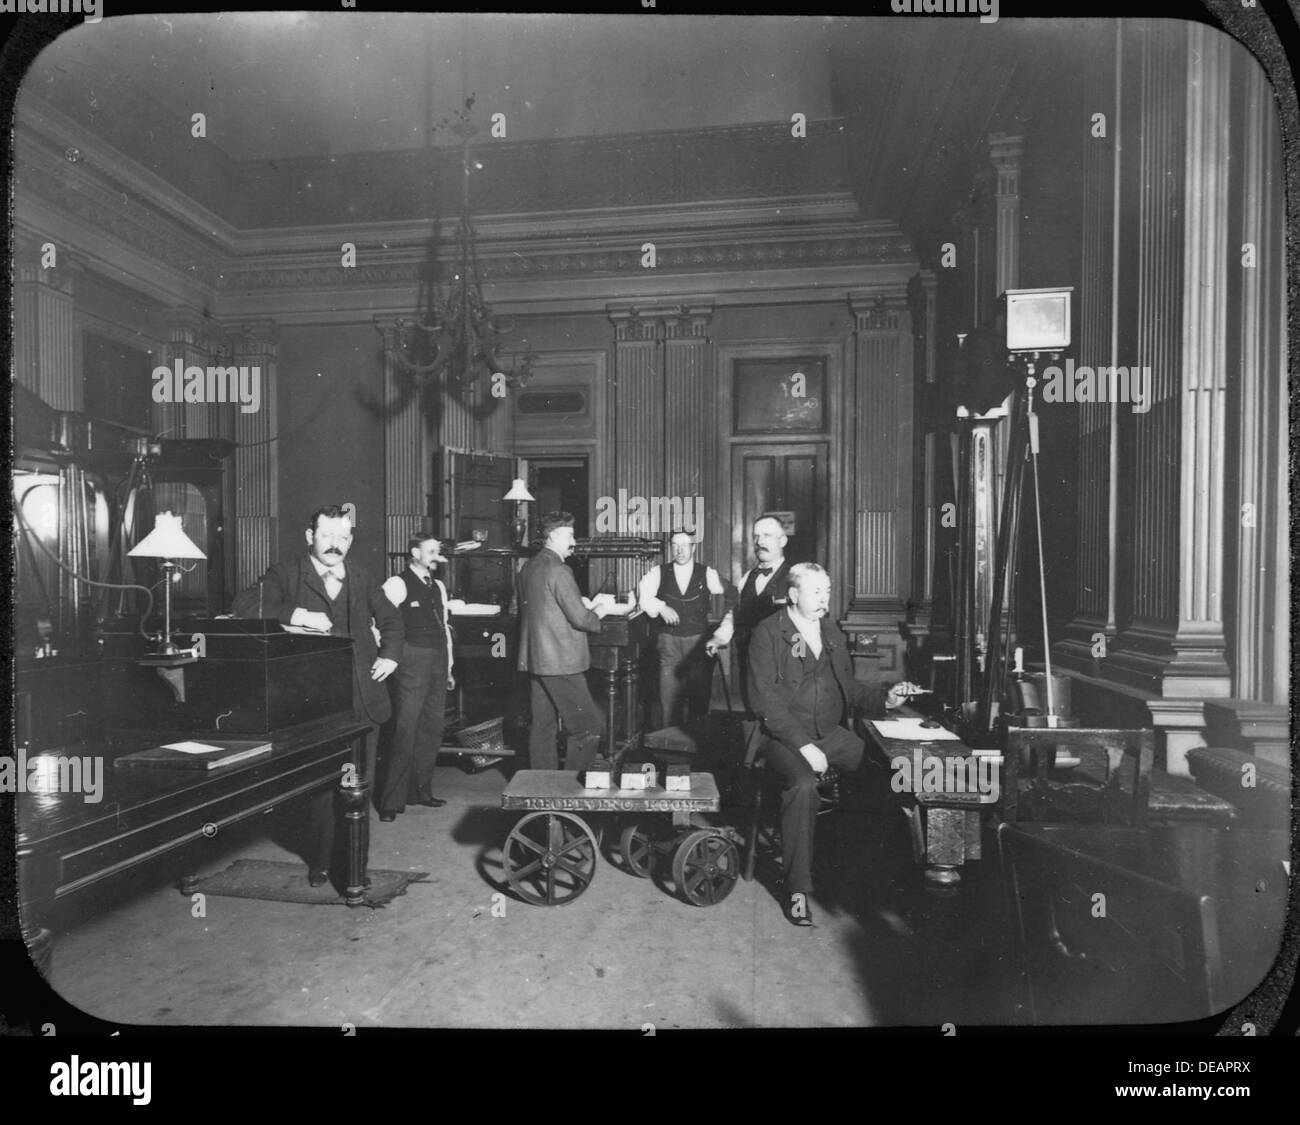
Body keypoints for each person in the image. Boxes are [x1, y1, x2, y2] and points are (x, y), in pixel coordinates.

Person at [232, 504, 402, 887]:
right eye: (327, 536)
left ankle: (356, 868)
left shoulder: (361, 576)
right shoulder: (288, 573)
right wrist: (298, 616)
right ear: (310, 537)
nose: (335, 545)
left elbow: (391, 620)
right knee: (323, 791)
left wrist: (390, 656)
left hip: (364, 698)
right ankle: (322, 861)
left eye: (343, 538)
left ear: (351, 540)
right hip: (318, 705)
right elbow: (242, 606)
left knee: (361, 785)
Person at [746, 562, 921, 927]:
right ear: (794, 595)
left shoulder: (830, 631)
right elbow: (766, 704)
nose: (825, 599)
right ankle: (797, 890)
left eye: (827, 591)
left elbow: (850, 686)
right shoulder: (767, 633)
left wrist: (885, 699)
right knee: (803, 786)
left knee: (884, 775)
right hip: (780, 737)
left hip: (829, 734)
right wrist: (805, 747)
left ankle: (859, 870)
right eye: (816, 592)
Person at [517, 511, 612, 771]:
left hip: (537, 661)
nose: (574, 542)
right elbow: (581, 618)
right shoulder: (559, 570)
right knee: (587, 727)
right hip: (561, 663)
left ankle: (541, 790)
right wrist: (600, 611)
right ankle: (571, 792)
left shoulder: (529, 567)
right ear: (555, 536)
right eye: (570, 536)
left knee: (543, 728)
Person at [378, 533, 456, 821]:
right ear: (414, 552)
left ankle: (420, 792)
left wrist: (448, 668)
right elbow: (379, 622)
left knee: (432, 729)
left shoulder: (438, 586)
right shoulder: (397, 584)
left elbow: (445, 627)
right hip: (412, 660)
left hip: (437, 660)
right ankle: (391, 802)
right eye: (431, 551)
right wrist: (390, 657)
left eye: (438, 551)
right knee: (405, 729)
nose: (436, 556)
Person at [638, 529, 735, 729]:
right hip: (669, 644)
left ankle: (696, 747)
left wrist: (722, 631)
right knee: (669, 699)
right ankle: (669, 749)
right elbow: (644, 597)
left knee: (699, 701)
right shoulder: (658, 572)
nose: (679, 550)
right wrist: (661, 607)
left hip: (697, 644)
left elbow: (733, 595)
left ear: (693, 547)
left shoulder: (707, 573)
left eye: (684, 545)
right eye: (675, 545)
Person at [706, 514, 795, 705]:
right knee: (752, 714)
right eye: (756, 536)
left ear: (783, 540)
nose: (760, 542)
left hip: (781, 666)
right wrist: (720, 637)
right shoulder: (747, 577)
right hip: (748, 661)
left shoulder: (796, 577)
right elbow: (735, 612)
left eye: (767, 535)